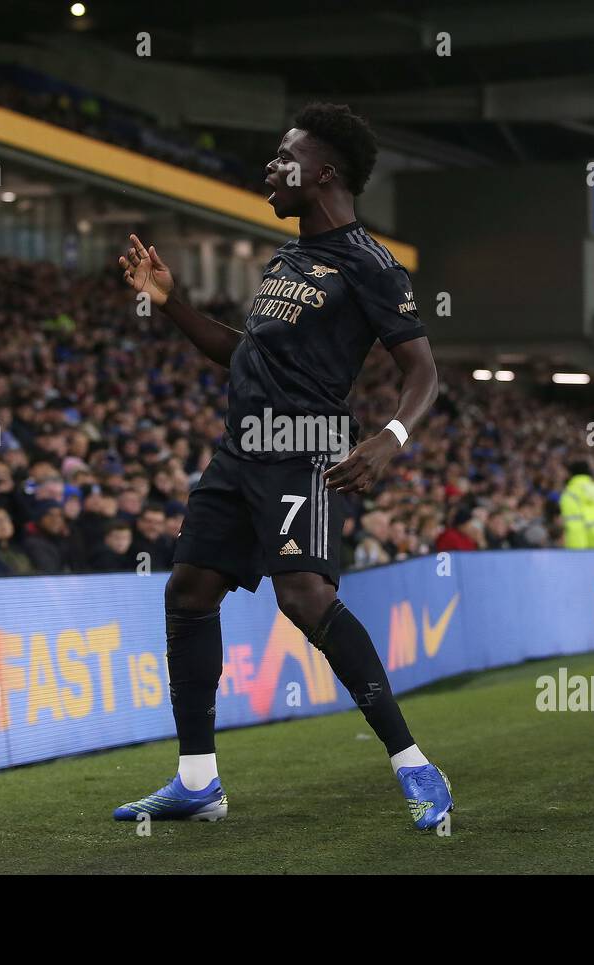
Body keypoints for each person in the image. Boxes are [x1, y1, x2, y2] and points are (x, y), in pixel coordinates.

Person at [113, 103, 451, 829]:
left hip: (305, 446)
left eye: (283, 158)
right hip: (240, 449)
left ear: (324, 172)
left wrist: (390, 436)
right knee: (190, 590)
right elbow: (242, 354)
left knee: (304, 598)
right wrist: (170, 303)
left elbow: (423, 371)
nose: (270, 169)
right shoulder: (287, 260)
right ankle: (197, 780)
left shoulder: (372, 264)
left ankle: (416, 766)